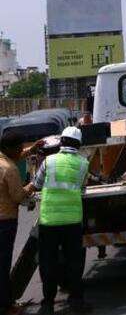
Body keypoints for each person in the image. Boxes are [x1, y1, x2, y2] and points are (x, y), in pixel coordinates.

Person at [32, 127, 90, 314]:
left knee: (48, 261)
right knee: (74, 261)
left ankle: (48, 303)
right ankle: (76, 301)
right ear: (79, 145)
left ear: (61, 142)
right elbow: (81, 190)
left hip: (49, 220)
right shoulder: (83, 163)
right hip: (72, 220)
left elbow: (38, 184)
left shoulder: (49, 161)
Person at [0, 134, 38, 315]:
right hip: (5, 221)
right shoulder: (10, 169)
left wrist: (31, 149)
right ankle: (7, 306)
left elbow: (15, 154)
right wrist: (33, 184)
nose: (19, 151)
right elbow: (18, 196)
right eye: (18, 148)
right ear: (9, 148)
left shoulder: (3, 160)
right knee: (3, 264)